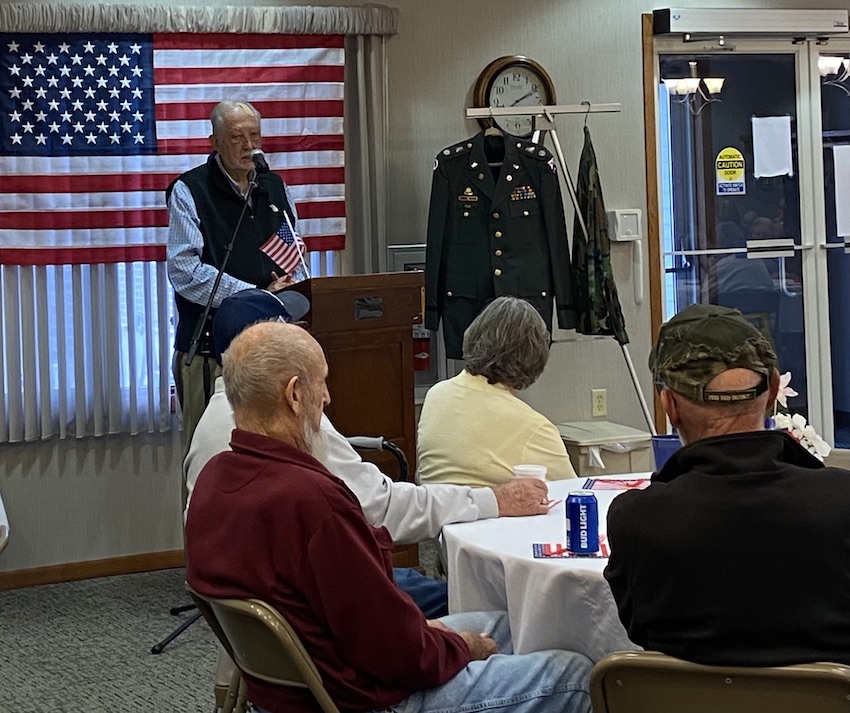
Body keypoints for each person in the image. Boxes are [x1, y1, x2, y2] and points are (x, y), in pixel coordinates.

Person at [186, 319, 593, 713]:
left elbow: (373, 625)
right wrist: (462, 647)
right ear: (294, 394)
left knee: (516, 622)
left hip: (292, 689)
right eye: (322, 382)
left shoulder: (212, 482)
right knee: (581, 672)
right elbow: (396, 655)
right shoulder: (312, 502)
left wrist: (423, 631)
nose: (327, 398)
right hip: (366, 696)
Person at [604, 303, 850, 667]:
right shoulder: (841, 502)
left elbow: (639, 631)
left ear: (669, 404)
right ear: (771, 394)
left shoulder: (636, 518)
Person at [166, 100, 305, 444]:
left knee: (274, 452)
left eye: (254, 135)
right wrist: (255, 298)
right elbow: (184, 271)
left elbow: (295, 253)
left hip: (271, 350)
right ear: (214, 141)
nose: (248, 145)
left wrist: (292, 286)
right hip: (211, 352)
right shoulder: (191, 190)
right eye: (236, 137)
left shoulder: (274, 186)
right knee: (210, 457)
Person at [417, 296, 578, 487]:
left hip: (434, 513)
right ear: (535, 356)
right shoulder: (535, 427)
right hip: (486, 515)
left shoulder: (436, 395)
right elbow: (573, 492)